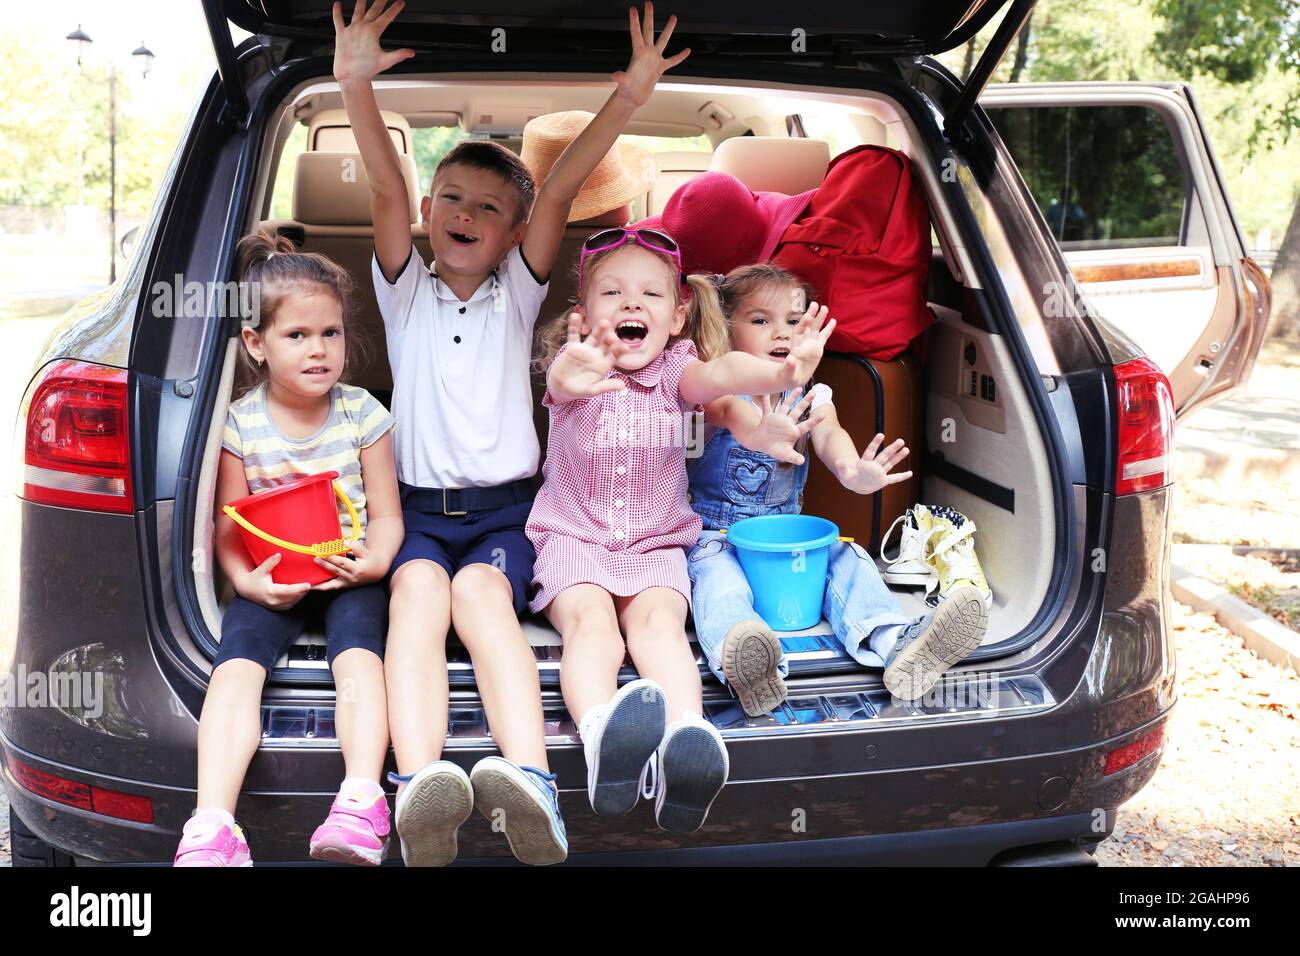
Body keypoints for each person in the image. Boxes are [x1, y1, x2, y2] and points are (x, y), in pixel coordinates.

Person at [333, 0, 689, 865]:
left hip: (505, 517)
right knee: (416, 603)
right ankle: (420, 785)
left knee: (482, 599)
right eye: (449, 197)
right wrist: (354, 82)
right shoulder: (404, 290)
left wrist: (632, 96)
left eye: (489, 208)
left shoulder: (520, 292)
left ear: (513, 237)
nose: (464, 212)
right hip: (414, 512)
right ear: (425, 210)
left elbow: (562, 184)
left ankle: (530, 779)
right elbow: (383, 182)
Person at [528, 229, 834, 832]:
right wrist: (574, 366)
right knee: (592, 627)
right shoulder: (574, 366)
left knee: (660, 628)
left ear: (678, 316)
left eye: (650, 294)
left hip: (656, 543)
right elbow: (563, 379)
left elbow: (723, 376)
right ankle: (601, 741)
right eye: (612, 293)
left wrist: (780, 375)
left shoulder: (679, 371)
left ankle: (687, 742)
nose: (631, 305)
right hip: (574, 537)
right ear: (584, 314)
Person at [174, 230, 402, 866]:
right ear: (256, 343)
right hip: (271, 578)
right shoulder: (240, 424)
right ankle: (212, 825)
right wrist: (246, 582)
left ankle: (360, 803)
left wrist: (374, 563)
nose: (318, 350)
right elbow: (227, 529)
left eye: (330, 333)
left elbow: (385, 514)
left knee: (358, 660)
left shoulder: (362, 413)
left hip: (348, 573)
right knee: (235, 669)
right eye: (297, 336)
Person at [685, 264, 991, 715]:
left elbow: (830, 437)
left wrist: (854, 472)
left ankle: (896, 644)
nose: (782, 335)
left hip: (789, 543)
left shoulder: (812, 395)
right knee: (717, 584)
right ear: (726, 329)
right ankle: (749, 664)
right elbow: (716, 427)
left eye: (793, 321)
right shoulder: (717, 392)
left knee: (848, 560)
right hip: (719, 539)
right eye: (760, 321)